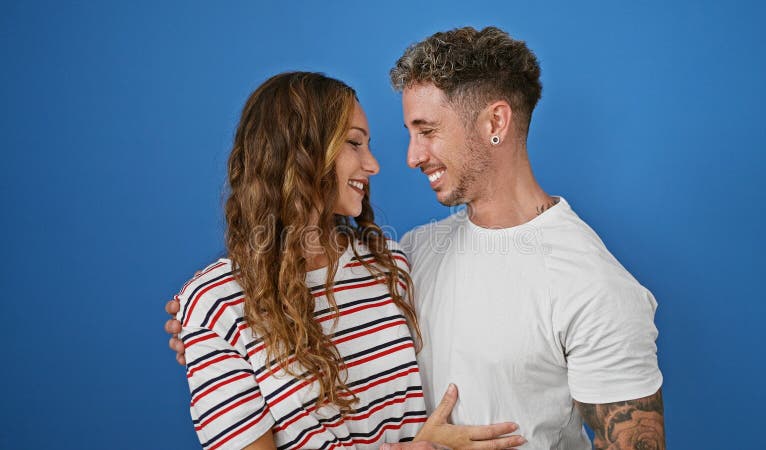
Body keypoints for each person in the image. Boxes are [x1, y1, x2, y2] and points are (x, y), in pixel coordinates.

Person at [167, 26, 665, 449]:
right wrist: (215, 323)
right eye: (407, 132)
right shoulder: (413, 256)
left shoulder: (595, 287)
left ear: (495, 122)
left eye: (426, 130)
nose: (407, 158)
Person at [167, 71, 523, 450]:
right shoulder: (215, 306)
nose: (373, 165)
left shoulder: (390, 267)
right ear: (299, 151)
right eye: (354, 143)